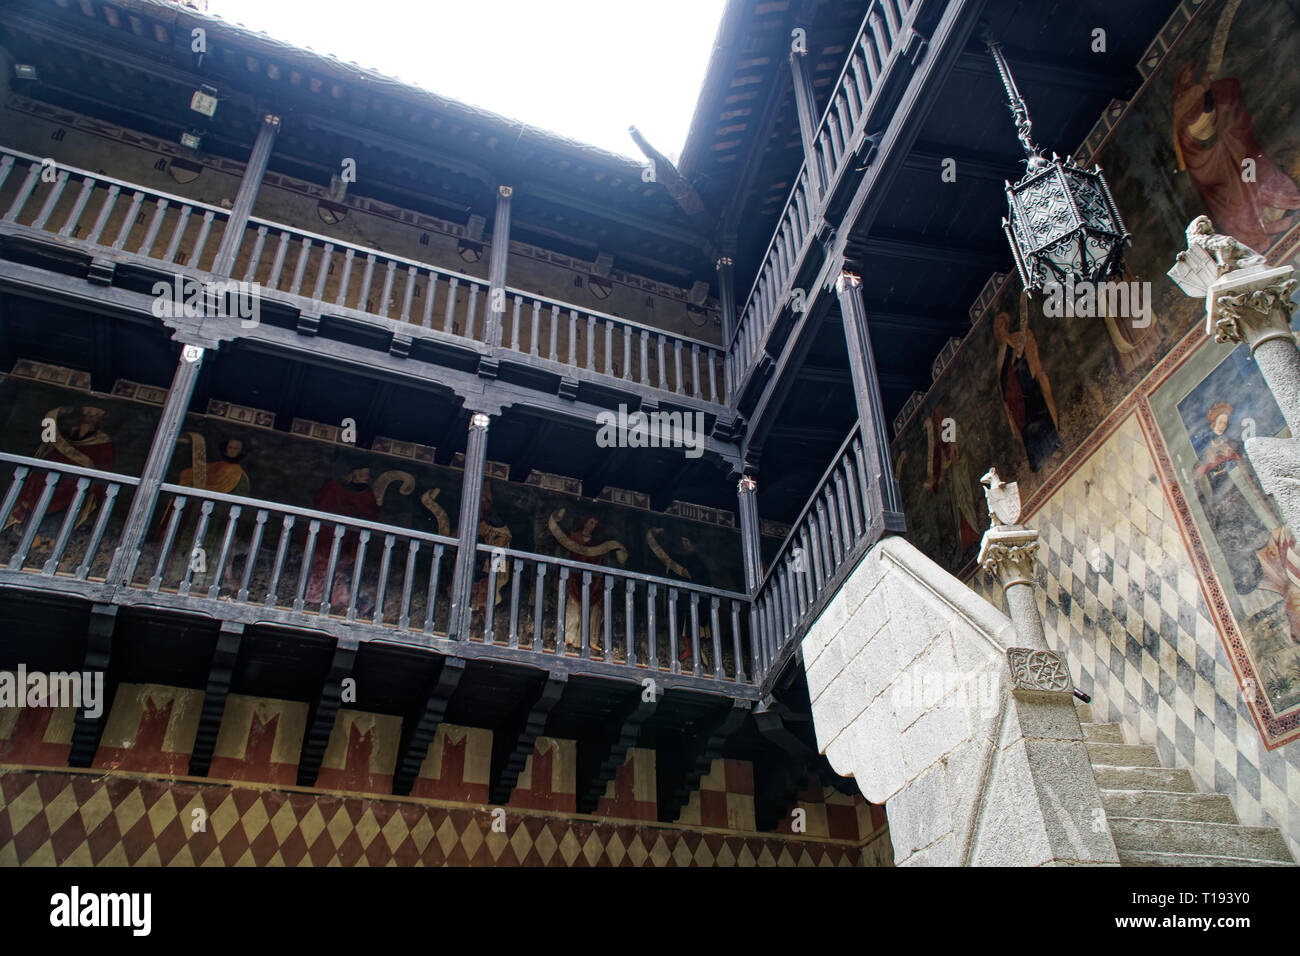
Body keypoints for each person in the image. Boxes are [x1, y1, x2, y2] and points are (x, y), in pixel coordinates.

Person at [306, 463, 380, 613]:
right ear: (353, 472)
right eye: (362, 473)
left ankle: (336, 599)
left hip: (349, 540)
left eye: (367, 475)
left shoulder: (367, 495)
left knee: (340, 570)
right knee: (321, 566)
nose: (365, 477)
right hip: (327, 536)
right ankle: (313, 598)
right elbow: (321, 504)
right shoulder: (334, 487)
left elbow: (371, 516)